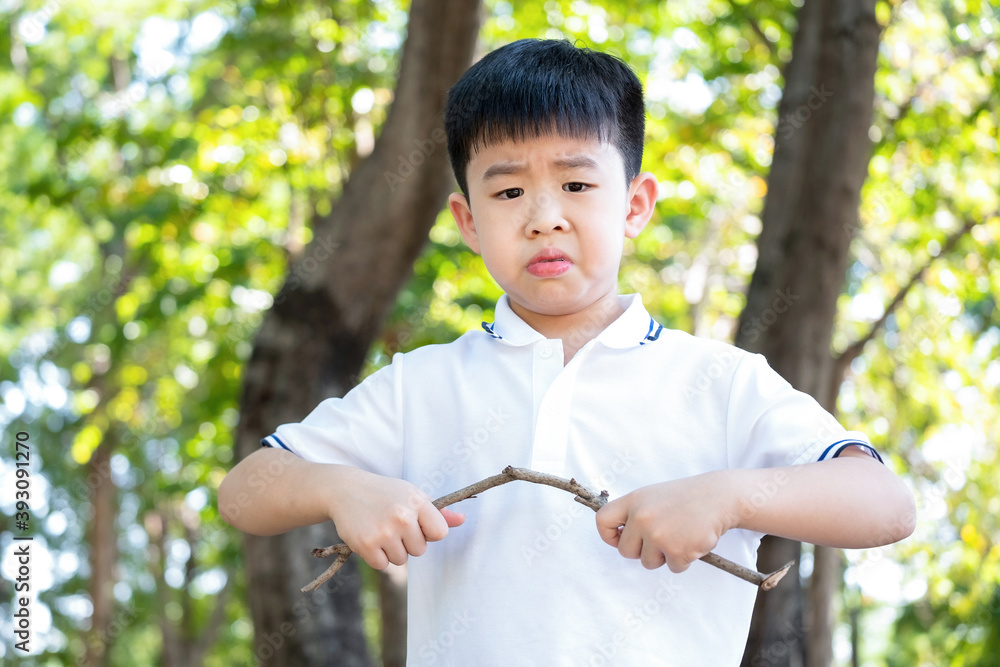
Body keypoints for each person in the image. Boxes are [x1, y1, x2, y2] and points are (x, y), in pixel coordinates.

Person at [220, 38, 915, 665]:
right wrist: (342, 488)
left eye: (577, 185)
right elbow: (245, 489)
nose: (544, 215)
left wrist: (731, 496)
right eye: (510, 189)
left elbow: (884, 503)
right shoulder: (420, 385)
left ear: (635, 205)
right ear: (467, 219)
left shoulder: (720, 382)